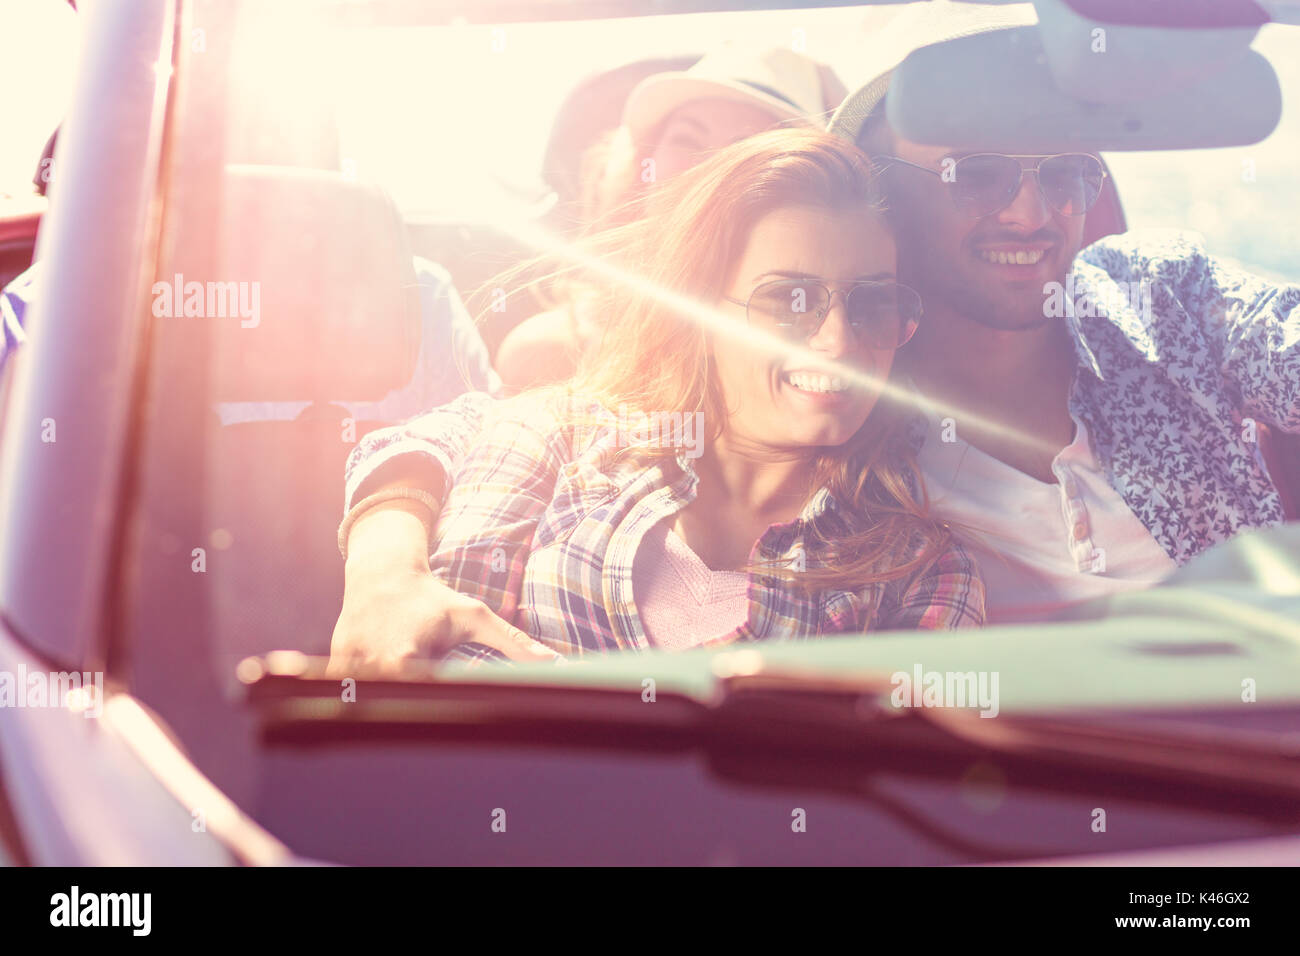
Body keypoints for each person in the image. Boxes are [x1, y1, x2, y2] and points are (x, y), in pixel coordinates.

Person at [334, 6, 1299, 650]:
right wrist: (383, 570)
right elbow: (478, 430)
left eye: (1065, 174)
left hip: (1242, 763)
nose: (1031, 211)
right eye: (978, 173)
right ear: (888, 209)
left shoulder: (1162, 292)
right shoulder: (844, 433)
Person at [330, 128, 984, 670]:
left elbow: (900, 783)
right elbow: (427, 443)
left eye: (873, 304)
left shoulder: (917, 569)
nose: (838, 342)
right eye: (790, 301)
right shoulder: (565, 437)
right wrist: (385, 575)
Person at [493, 44, 847, 392]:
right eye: (687, 139)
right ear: (639, 172)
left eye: (743, 152)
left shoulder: (837, 351)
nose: (707, 166)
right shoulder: (553, 350)